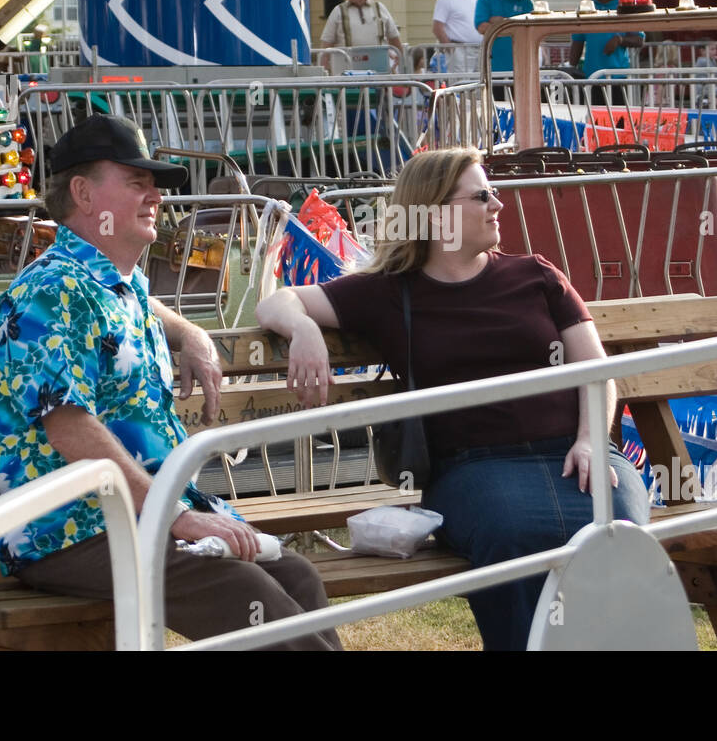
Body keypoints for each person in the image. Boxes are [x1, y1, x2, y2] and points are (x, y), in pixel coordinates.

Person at [255, 148, 650, 651]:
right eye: (482, 195)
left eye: (495, 194)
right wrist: (304, 328)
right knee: (511, 535)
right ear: (436, 211)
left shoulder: (536, 275)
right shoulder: (389, 292)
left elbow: (598, 370)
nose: (498, 205)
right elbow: (277, 301)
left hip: (577, 454)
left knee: (617, 530)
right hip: (474, 468)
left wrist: (592, 440)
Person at [0, 115, 340, 650]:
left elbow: (130, 305)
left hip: (137, 517)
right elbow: (72, 432)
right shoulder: (51, 293)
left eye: (155, 186)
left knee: (298, 577)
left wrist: (189, 330)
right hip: (72, 530)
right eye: (136, 183)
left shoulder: (114, 285)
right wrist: (180, 518)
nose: (156, 197)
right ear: (82, 193)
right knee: (249, 599)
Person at [567, 0, 645, 78]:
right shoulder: (587, 6)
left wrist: (620, 40)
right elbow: (578, 41)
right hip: (591, 76)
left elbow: (639, 40)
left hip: (619, 77)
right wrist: (571, 69)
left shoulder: (625, 5)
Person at [319, 0, 406, 70]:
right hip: (347, 67)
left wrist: (401, 58)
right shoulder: (338, 11)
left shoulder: (379, 7)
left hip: (379, 64)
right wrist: (324, 67)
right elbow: (327, 42)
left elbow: (394, 36)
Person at [475, 0, 535, 73]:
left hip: (523, 67)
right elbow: (481, 28)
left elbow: (531, 30)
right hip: (494, 68)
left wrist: (500, 23)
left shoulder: (526, 1)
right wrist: (515, 25)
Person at [431, 0, 483, 73]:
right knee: (461, 86)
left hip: (477, 50)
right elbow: (437, 27)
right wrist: (451, 49)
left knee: (478, 87)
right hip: (460, 51)